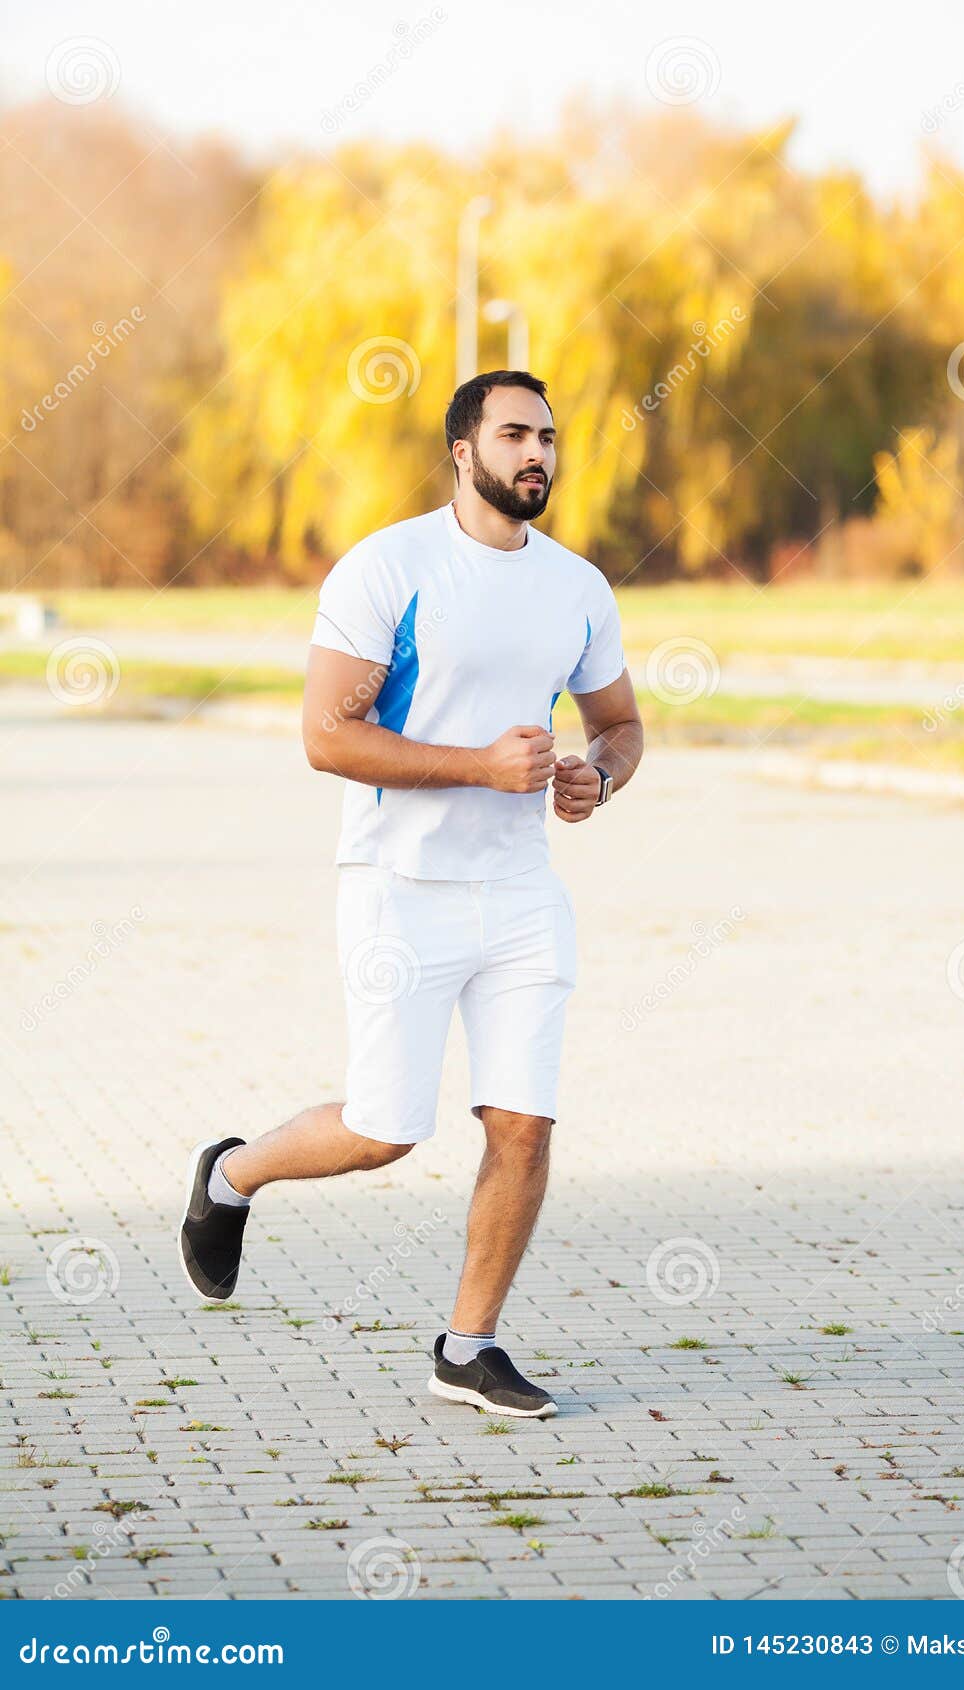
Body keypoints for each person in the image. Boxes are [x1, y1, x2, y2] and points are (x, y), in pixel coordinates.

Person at [179, 370, 643, 1417]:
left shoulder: (577, 586)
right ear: (461, 450)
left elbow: (620, 722)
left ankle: (466, 1347)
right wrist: (480, 766)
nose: (537, 454)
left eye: (549, 437)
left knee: (522, 1124)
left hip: (521, 889)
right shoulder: (389, 567)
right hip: (400, 883)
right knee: (386, 1129)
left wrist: (596, 777)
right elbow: (326, 734)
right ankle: (232, 1175)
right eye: (515, 434)